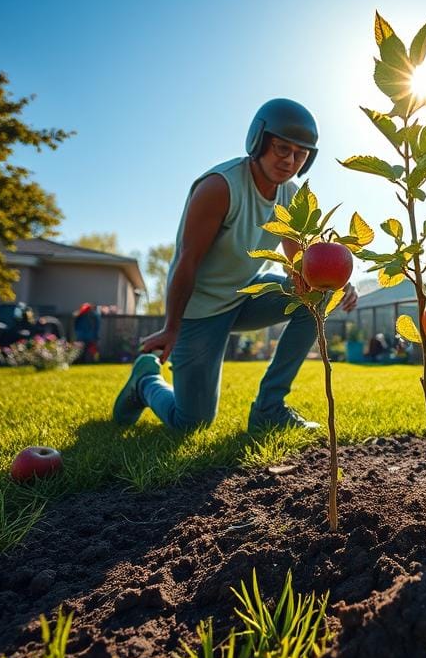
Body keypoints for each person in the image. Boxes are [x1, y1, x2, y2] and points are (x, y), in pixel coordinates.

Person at [112, 99, 357, 432]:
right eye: (282, 148)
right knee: (192, 422)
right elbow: (186, 260)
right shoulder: (219, 187)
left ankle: (269, 408)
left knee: (315, 297)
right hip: (201, 311)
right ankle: (145, 383)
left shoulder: (290, 196)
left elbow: (298, 266)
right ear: (258, 140)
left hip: (244, 297)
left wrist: (336, 282)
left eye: (300, 154)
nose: (290, 161)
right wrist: (171, 327)